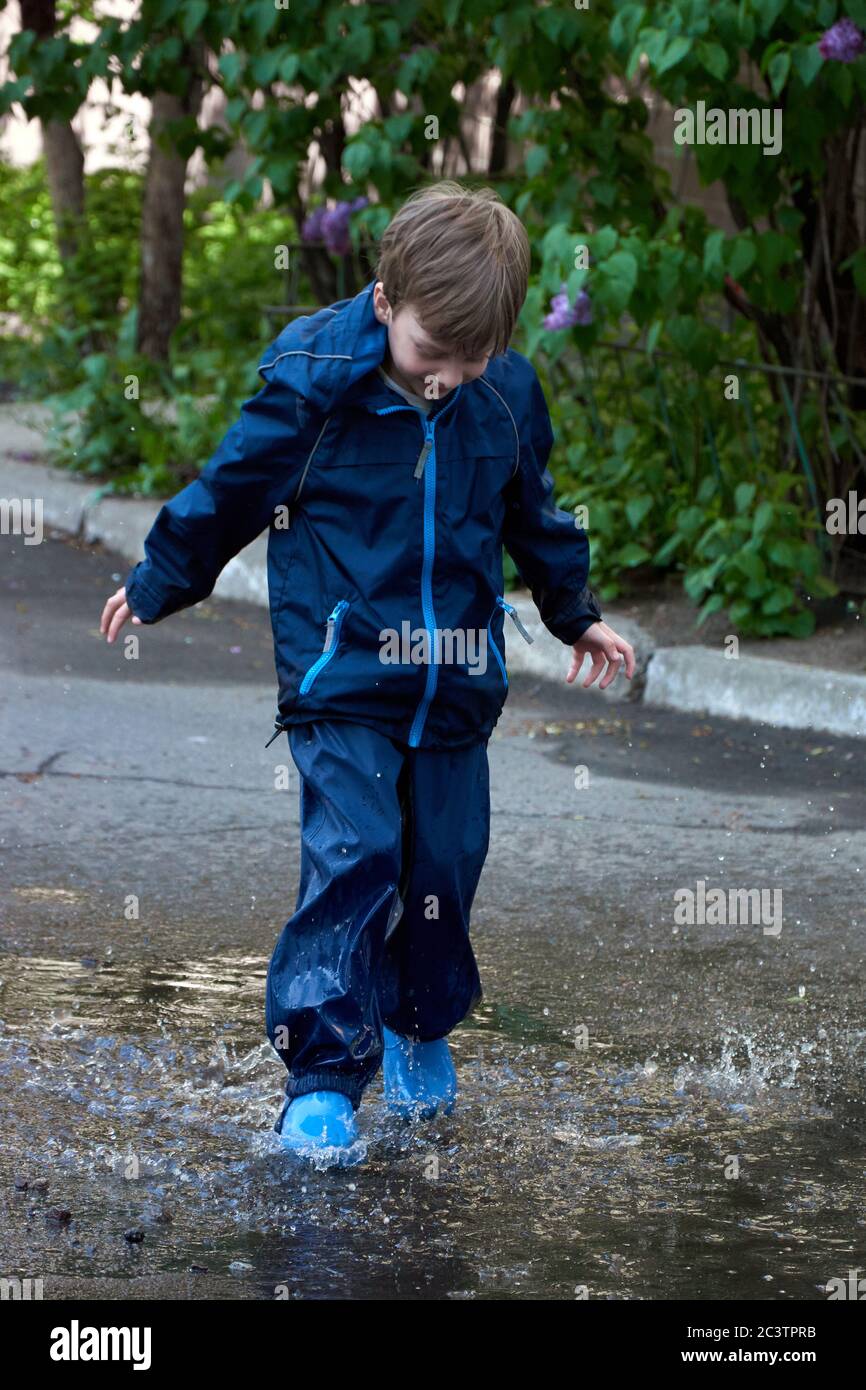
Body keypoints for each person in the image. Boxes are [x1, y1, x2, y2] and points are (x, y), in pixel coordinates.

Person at [100, 181, 635, 1160]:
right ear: (384, 302)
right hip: (339, 675)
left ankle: (417, 1025)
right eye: (432, 354)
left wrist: (575, 615)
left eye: (471, 361)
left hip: (454, 683)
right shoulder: (311, 379)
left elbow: (535, 516)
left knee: (442, 866)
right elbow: (231, 488)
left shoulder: (503, 395)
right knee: (354, 859)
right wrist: (161, 575)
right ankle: (321, 1078)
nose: (448, 378)